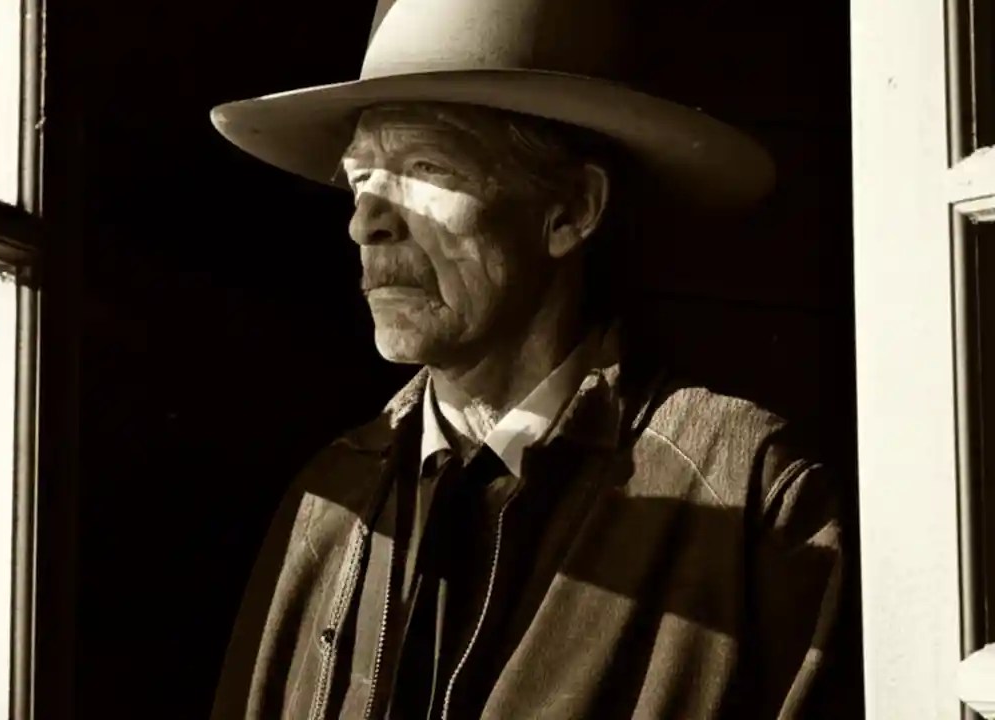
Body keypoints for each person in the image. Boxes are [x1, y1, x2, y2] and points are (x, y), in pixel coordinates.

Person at [207, 0, 845, 717]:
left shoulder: (748, 496)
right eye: (360, 180)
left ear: (571, 212)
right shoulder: (330, 501)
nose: (366, 222)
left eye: (424, 168)